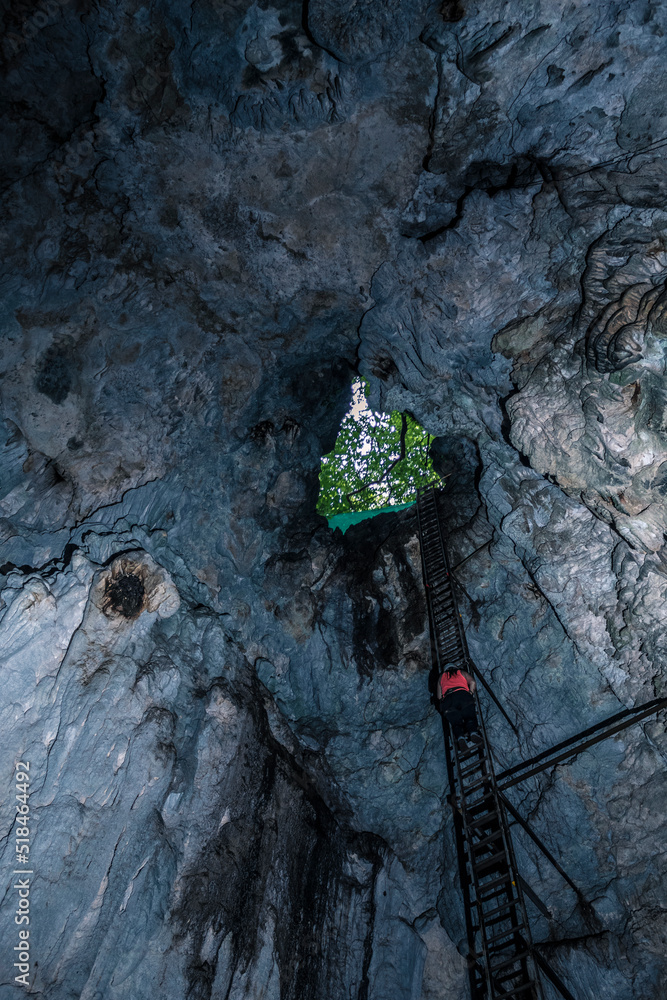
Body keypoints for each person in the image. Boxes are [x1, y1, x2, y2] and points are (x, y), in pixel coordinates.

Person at [436, 662, 483, 753]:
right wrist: (470, 693)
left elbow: (439, 697)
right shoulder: (461, 672)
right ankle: (473, 733)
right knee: (469, 717)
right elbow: (472, 682)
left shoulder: (441, 677)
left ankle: (460, 738)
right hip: (463, 696)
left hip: (448, 702)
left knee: (456, 723)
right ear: (455, 667)